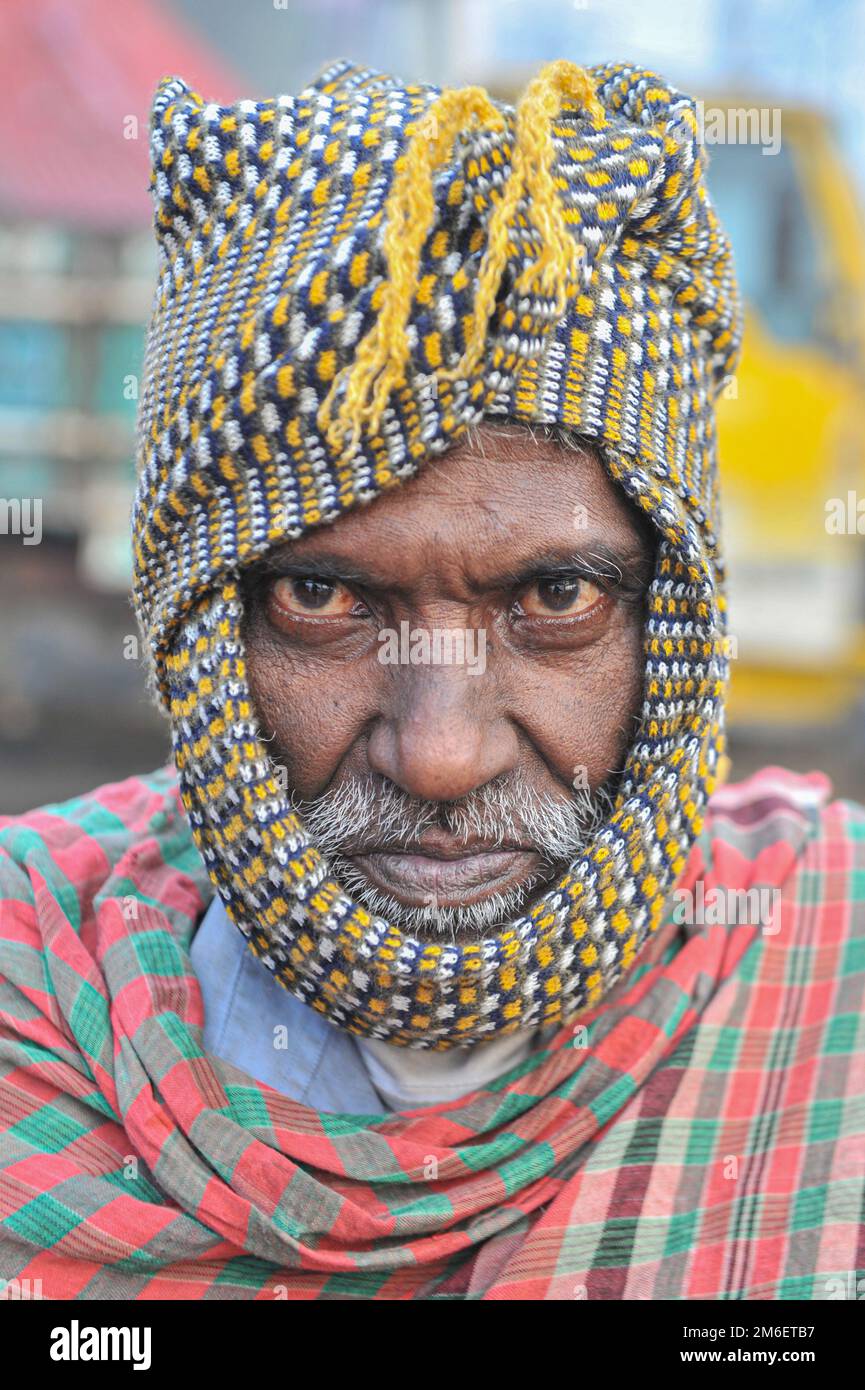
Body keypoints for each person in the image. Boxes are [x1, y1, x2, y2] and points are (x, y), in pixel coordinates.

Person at [1, 57, 863, 1302]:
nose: (441, 754)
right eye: (326, 600)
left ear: (664, 627)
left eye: (555, 601)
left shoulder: (824, 972)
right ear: (199, 632)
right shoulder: (32, 1001)